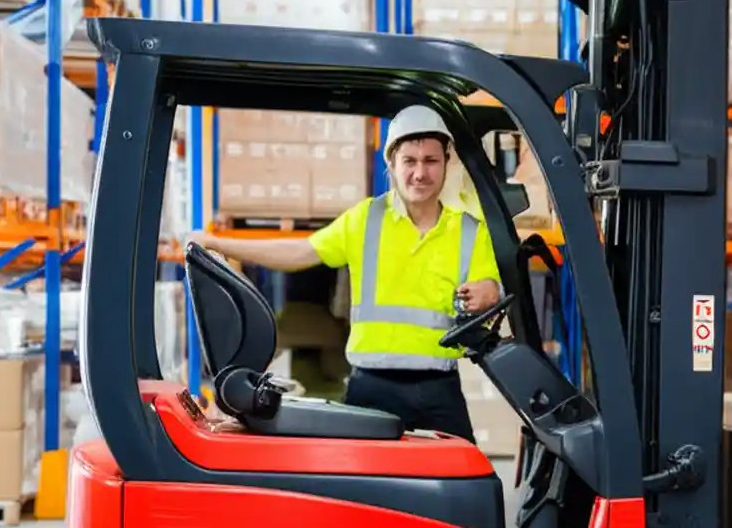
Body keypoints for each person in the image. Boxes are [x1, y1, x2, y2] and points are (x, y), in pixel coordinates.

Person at [188, 105, 502, 442]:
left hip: (439, 387)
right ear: (392, 164)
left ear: (446, 162)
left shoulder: (470, 232)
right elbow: (300, 252)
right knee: (366, 491)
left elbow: (492, 288)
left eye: (430, 161)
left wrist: (489, 292)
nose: (420, 173)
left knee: (468, 484)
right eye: (410, 161)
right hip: (373, 388)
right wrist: (218, 243)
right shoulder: (366, 220)